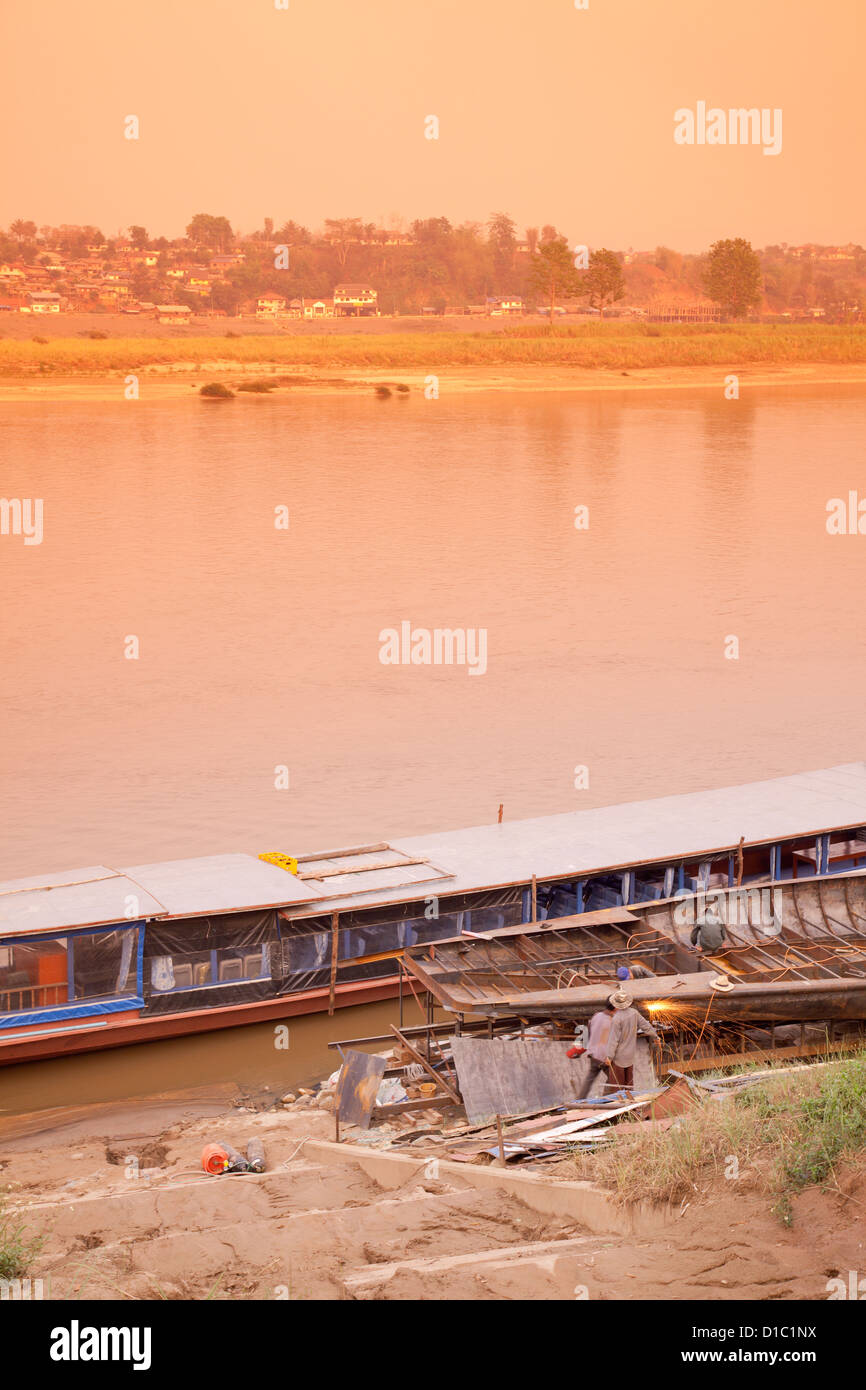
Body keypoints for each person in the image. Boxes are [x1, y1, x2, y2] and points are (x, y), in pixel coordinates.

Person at [604, 989, 658, 1090]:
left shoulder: (617, 1019)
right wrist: (655, 1036)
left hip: (618, 1057)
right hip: (630, 1055)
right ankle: (631, 1102)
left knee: (617, 1087)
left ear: (615, 1004)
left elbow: (613, 1040)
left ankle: (621, 1104)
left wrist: (609, 1056)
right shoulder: (634, 1013)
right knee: (629, 1084)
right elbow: (646, 1026)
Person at [574, 1002, 615, 1099]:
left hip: (593, 1054)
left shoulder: (596, 1016)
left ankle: (579, 1100)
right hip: (604, 1056)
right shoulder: (611, 1020)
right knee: (613, 1078)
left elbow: (588, 1034)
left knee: (589, 1079)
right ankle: (606, 1101)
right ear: (615, 1007)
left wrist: (581, 1049)